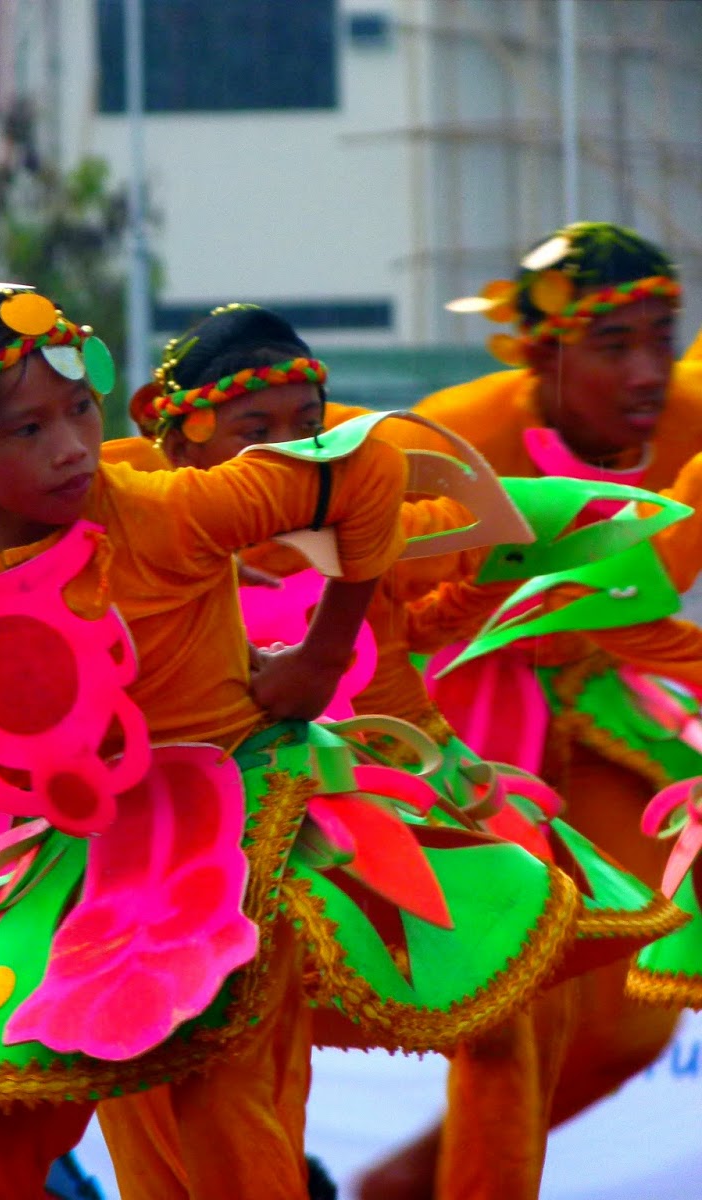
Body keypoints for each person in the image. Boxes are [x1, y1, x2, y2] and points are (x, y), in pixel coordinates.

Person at [0, 279, 421, 1199]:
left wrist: (323, 657)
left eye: (80, 409)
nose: (73, 447)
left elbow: (371, 472)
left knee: (218, 1102)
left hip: (232, 829)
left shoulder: (172, 514)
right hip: (77, 859)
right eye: (29, 429)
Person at [101, 303, 679, 1200]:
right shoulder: (136, 543)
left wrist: (483, 589)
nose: (291, 456)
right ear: (176, 441)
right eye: (256, 430)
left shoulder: (366, 517)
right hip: (195, 842)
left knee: (516, 999)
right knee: (181, 1056)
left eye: (308, 427)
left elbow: (453, 578)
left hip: (377, 806)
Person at [361, 220, 702, 1199]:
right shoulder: (451, 439)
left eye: (662, 337)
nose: (647, 372)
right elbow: (357, 585)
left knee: (631, 1017)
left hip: (612, 711)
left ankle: (408, 1183)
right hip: (456, 723)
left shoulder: (687, 417)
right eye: (613, 345)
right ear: (541, 351)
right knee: (506, 1004)